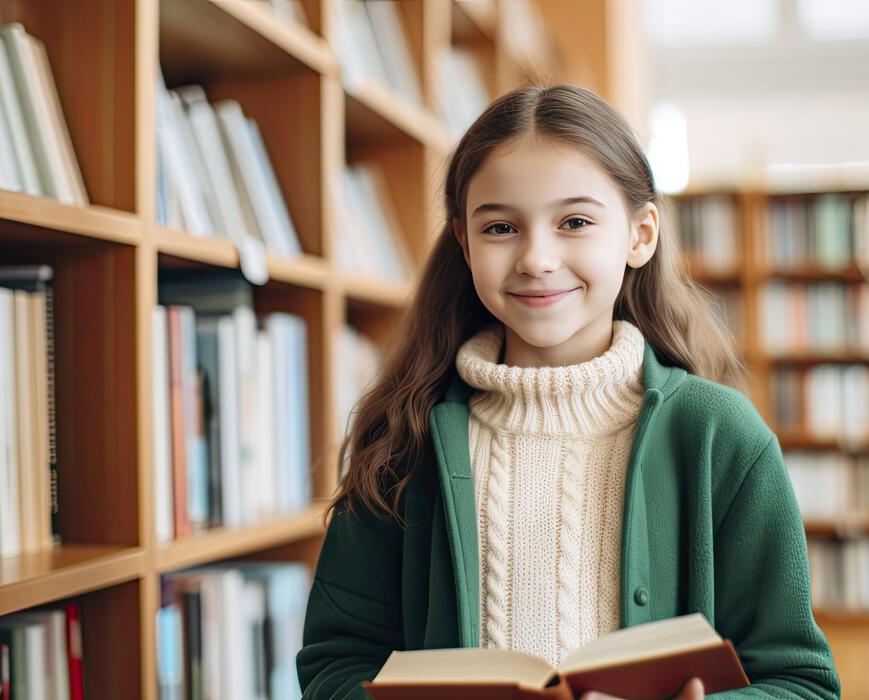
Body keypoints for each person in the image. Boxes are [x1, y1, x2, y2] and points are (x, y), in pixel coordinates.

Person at [296, 83, 841, 700]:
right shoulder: (403, 439)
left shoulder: (721, 437)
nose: (537, 257)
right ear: (463, 242)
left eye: (575, 221)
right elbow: (333, 666)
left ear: (641, 234)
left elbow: (802, 683)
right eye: (501, 227)